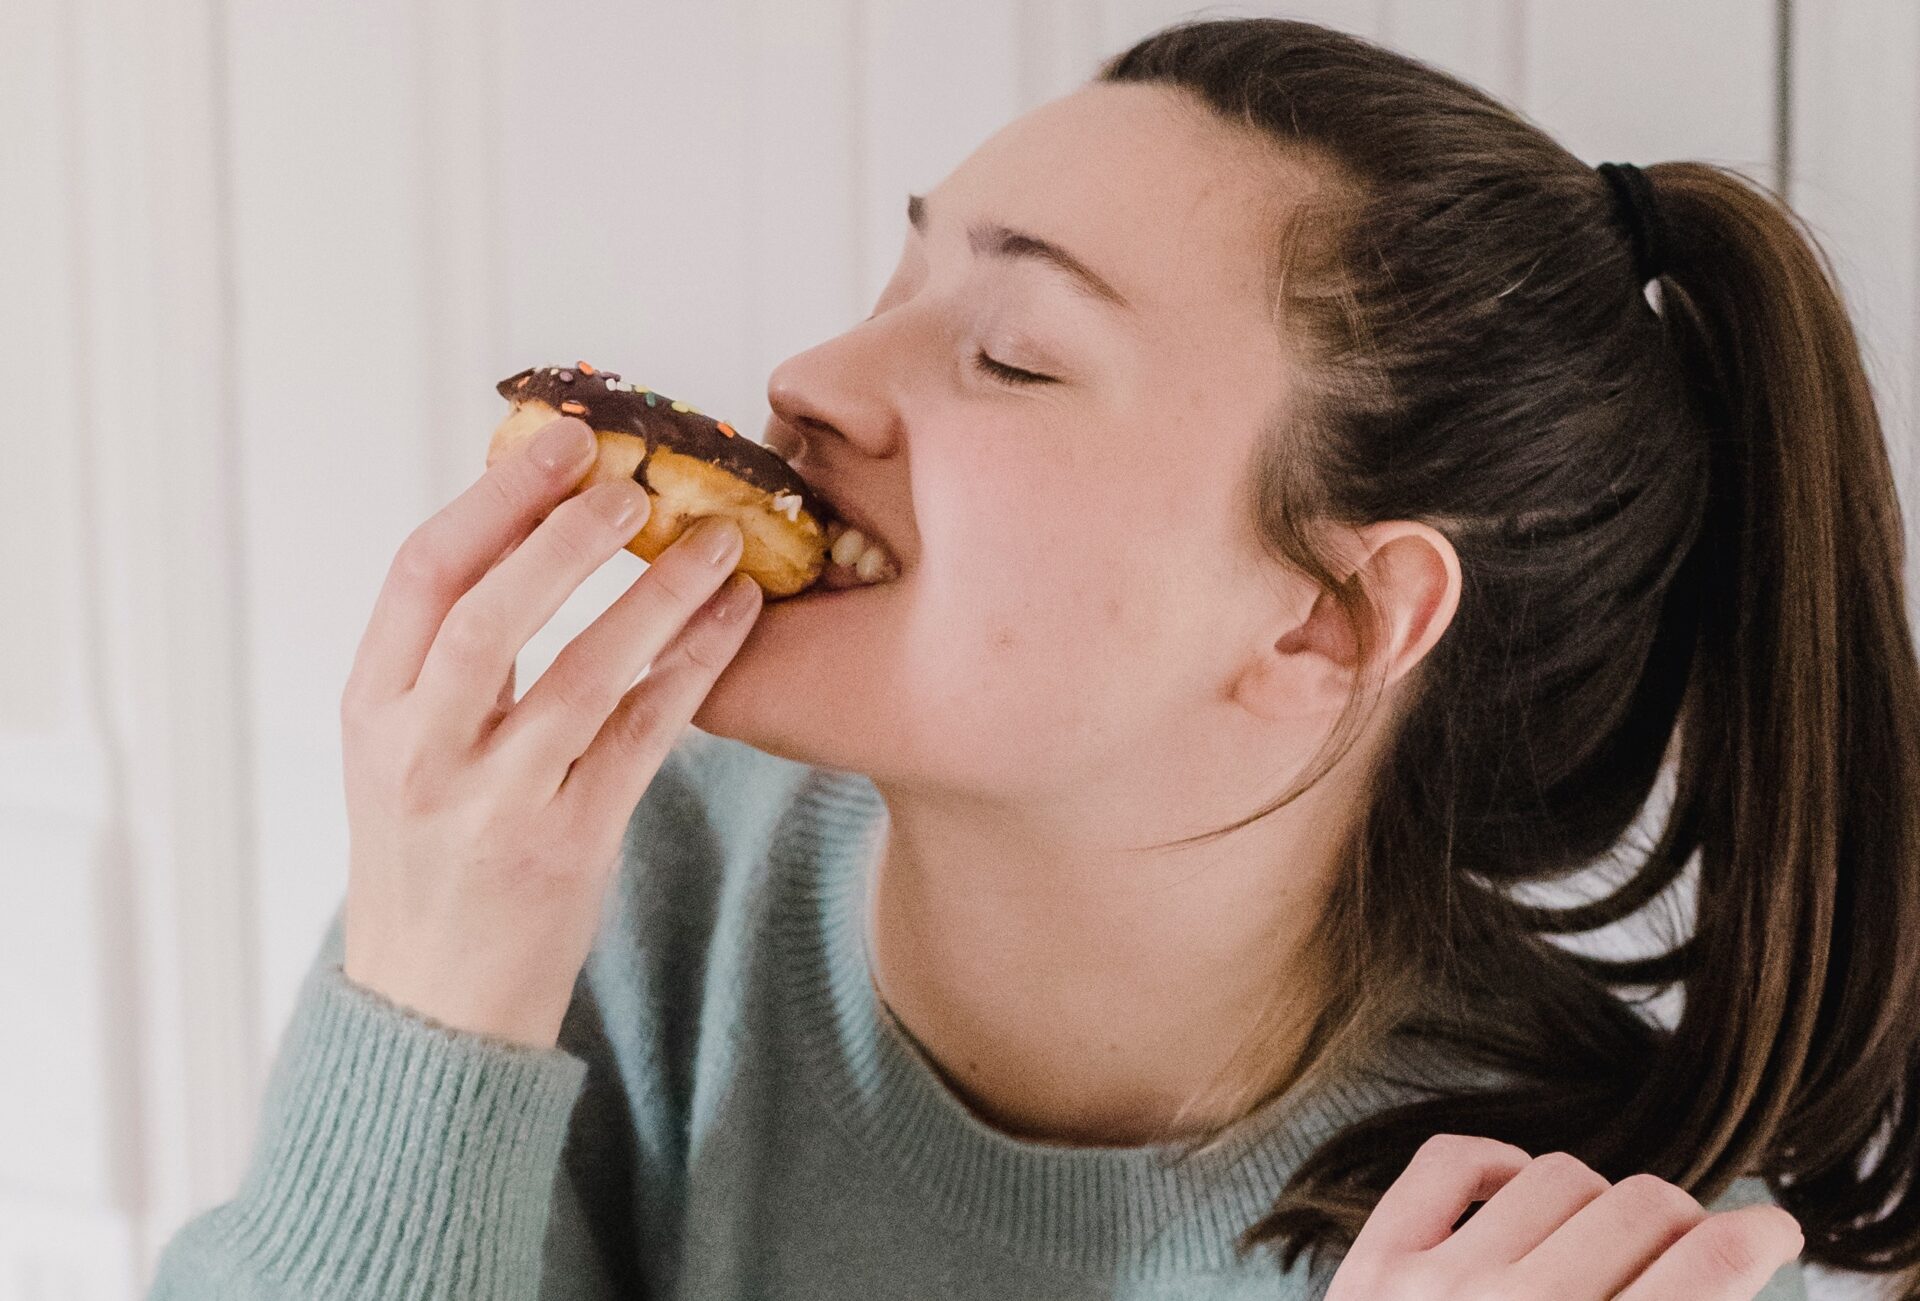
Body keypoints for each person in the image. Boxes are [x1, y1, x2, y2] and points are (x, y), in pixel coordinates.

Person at [148, 16, 1919, 1301]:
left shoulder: (1573, 1256)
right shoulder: (608, 884)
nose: (811, 382)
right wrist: (431, 1005)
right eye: (898, 280)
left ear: (1327, 617)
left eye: (1009, 352)